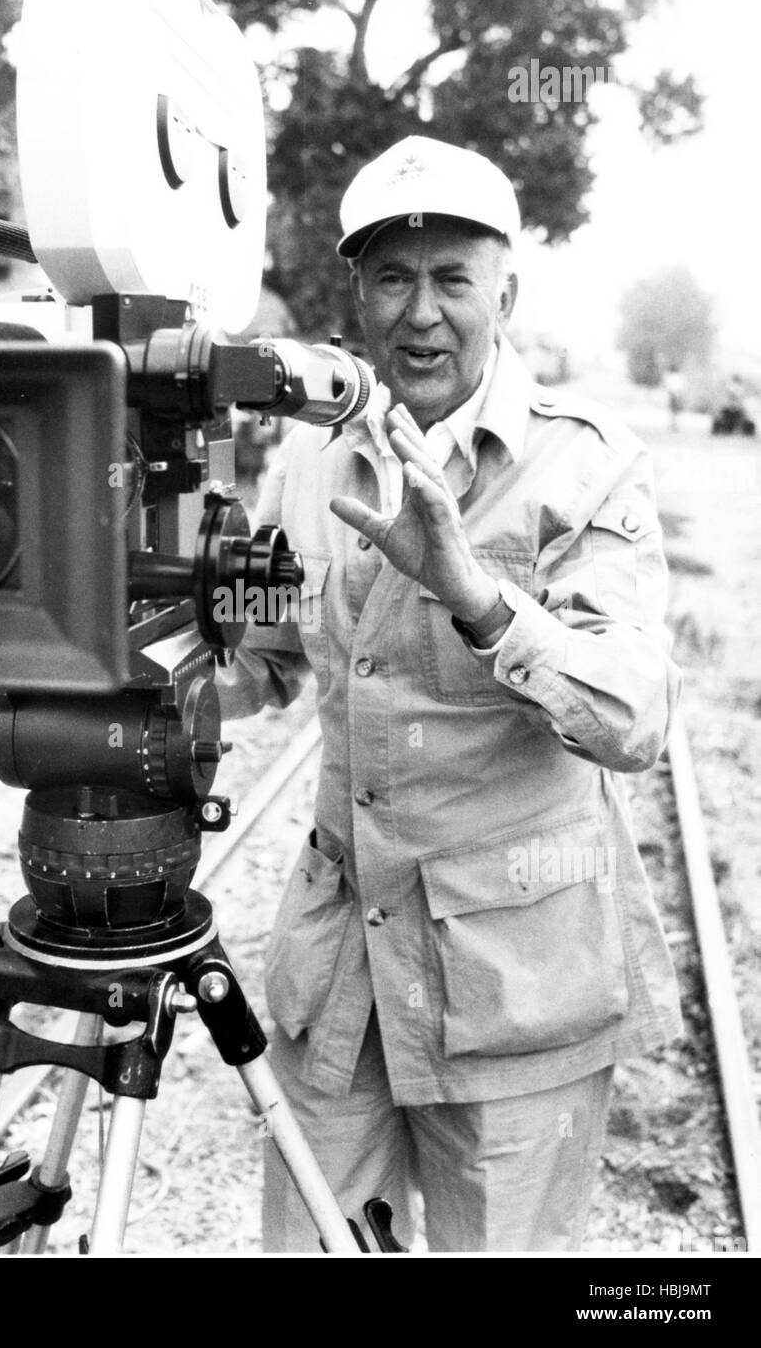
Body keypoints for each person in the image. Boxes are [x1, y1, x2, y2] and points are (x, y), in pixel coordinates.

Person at [216, 135, 683, 1254]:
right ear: (356, 293)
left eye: (451, 279)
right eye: (389, 277)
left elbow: (632, 718)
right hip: (341, 975)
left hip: (513, 984)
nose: (418, 314)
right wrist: (121, 666)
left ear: (505, 291)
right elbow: (268, 661)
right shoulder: (314, 457)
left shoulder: (588, 465)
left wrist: (476, 597)